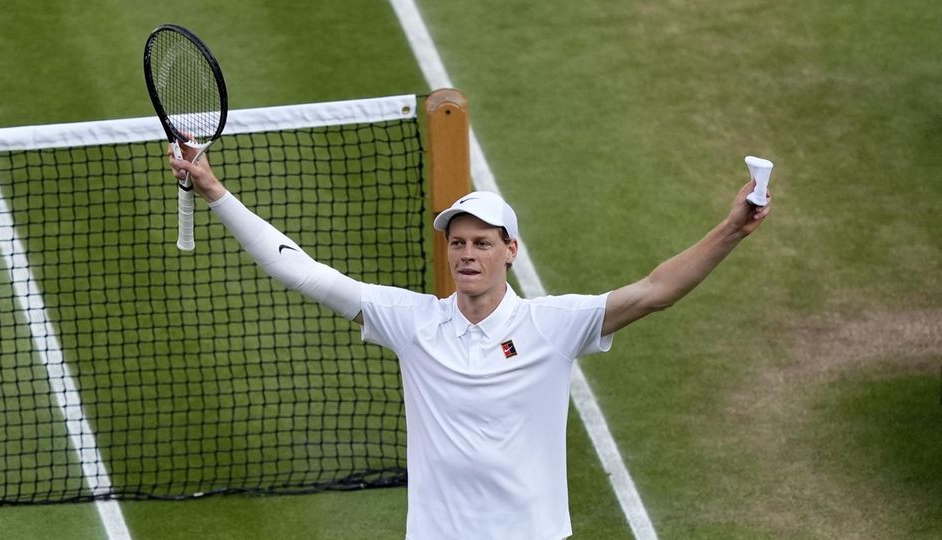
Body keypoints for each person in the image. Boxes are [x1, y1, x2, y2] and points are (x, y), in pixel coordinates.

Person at [169, 147, 770, 540]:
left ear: (510, 251)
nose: (467, 254)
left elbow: (656, 291)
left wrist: (732, 229)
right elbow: (302, 271)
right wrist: (215, 189)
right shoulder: (413, 323)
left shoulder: (552, 325)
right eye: (458, 243)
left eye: (483, 243)